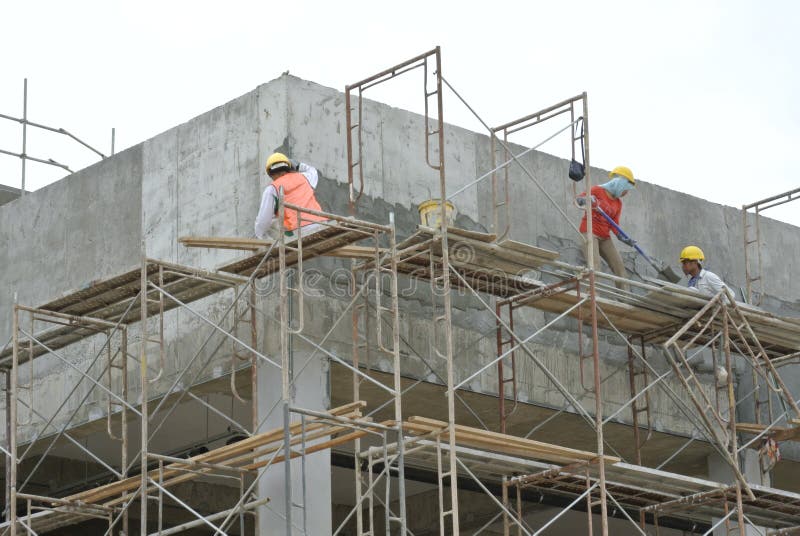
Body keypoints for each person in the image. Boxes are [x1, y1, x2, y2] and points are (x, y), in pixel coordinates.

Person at [576, 166, 636, 290]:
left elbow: (614, 224)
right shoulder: (597, 190)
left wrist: (622, 237)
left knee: (619, 268)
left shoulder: (618, 203)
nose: (626, 193)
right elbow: (577, 200)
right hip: (589, 232)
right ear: (620, 185)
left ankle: (624, 297)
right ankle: (593, 295)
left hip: (605, 237)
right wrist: (587, 199)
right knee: (595, 266)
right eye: (626, 190)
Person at [254, 152, 327, 240]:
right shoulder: (304, 177)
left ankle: (274, 245)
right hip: (321, 224)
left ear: (270, 174)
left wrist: (259, 236)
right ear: (289, 167)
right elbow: (313, 170)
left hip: (299, 231)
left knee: (270, 223)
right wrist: (298, 165)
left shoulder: (272, 189)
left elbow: (263, 221)